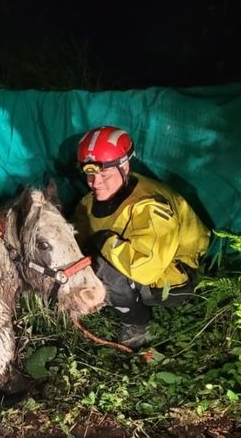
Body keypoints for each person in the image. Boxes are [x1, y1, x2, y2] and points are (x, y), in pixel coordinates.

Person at [72, 125, 211, 349]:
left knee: (105, 268)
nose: (95, 183)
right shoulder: (90, 200)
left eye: (104, 174)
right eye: (89, 174)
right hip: (139, 258)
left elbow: (145, 268)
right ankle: (117, 294)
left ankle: (137, 325)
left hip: (174, 273)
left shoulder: (150, 206)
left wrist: (103, 241)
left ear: (124, 166)